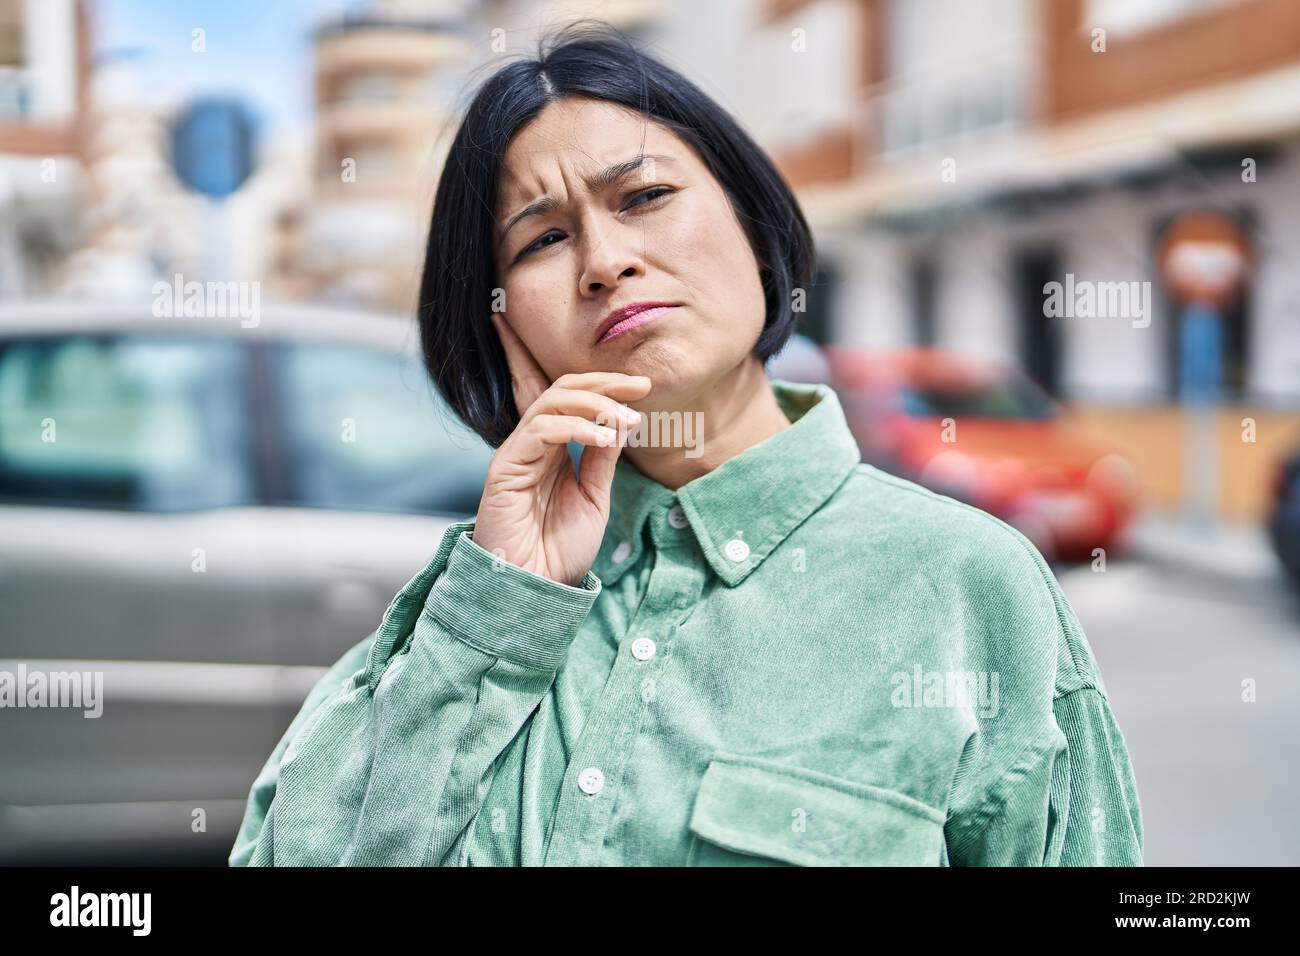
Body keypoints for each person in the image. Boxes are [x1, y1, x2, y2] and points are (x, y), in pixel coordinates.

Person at [229, 22, 1143, 867]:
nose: (604, 260)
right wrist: (498, 617)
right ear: (500, 318)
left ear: (752, 224)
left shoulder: (966, 585)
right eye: (543, 238)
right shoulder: (467, 612)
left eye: (647, 196)